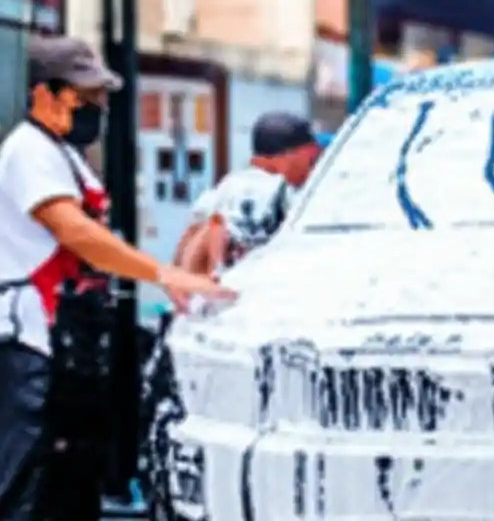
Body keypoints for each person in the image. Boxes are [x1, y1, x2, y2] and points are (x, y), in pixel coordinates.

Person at [0, 36, 234, 520]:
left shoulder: (63, 155)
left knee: (70, 485)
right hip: (32, 345)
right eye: (84, 97)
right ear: (45, 94)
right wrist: (163, 273)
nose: (97, 108)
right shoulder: (29, 151)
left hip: (66, 345)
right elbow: (74, 230)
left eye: (100, 97)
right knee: (32, 486)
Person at [142, 111, 320, 510]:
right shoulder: (265, 192)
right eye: (310, 158)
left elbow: (188, 253)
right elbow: (225, 241)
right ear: (288, 155)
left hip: (194, 333)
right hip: (232, 336)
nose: (313, 168)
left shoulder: (222, 189)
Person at [179, 112, 320, 272]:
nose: (313, 162)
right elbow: (195, 232)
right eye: (308, 154)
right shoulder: (266, 187)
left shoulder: (230, 185)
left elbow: (193, 231)